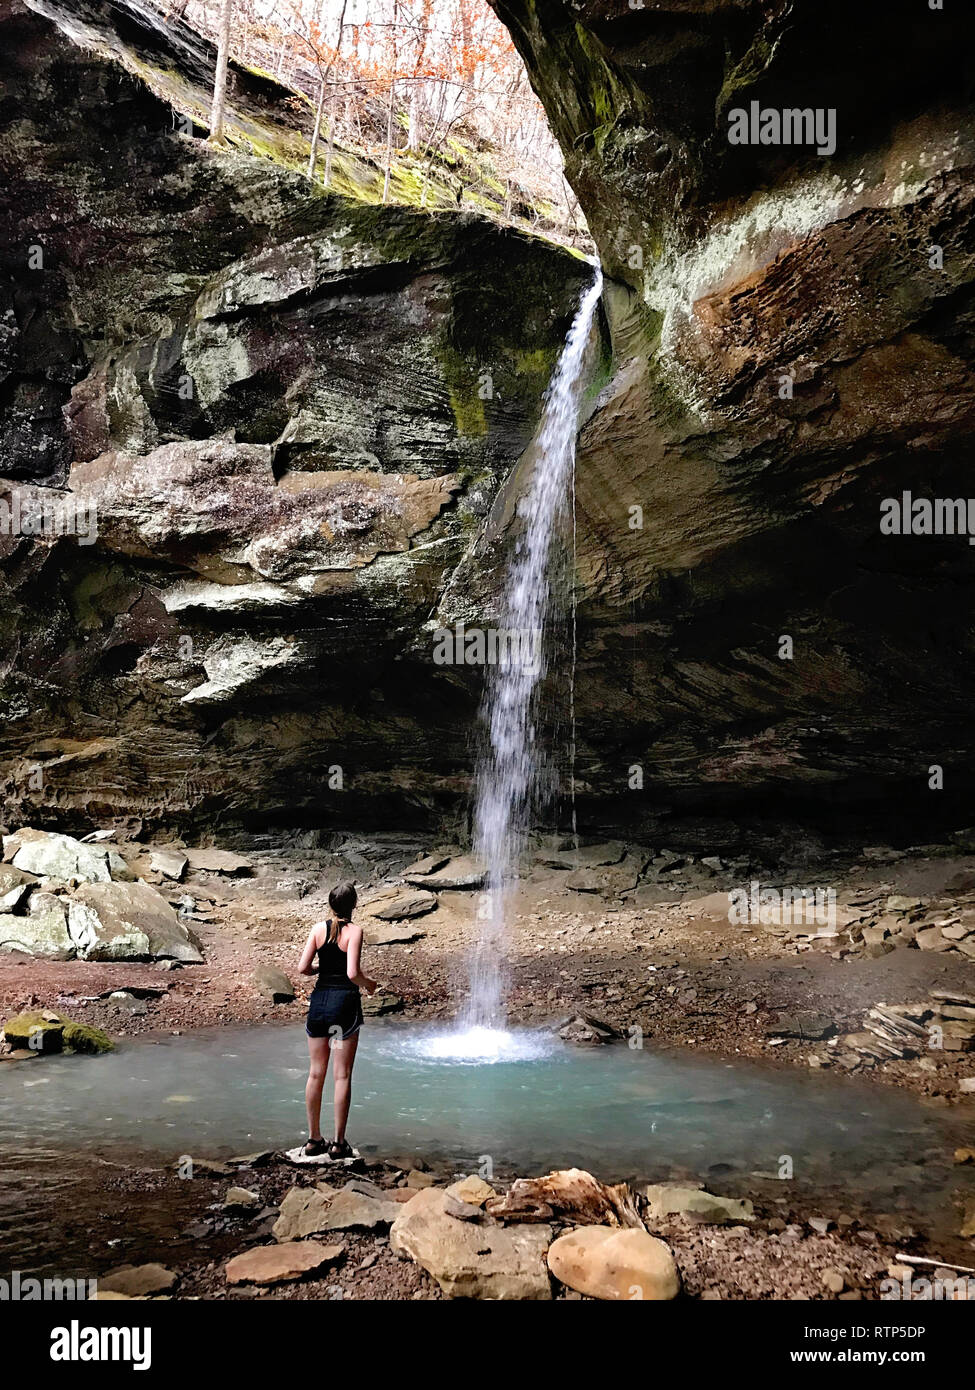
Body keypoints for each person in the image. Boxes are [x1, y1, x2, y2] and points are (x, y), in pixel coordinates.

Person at [296, 880, 377, 1158]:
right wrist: (369, 984)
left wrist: (322, 967)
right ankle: (339, 1144)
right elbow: (352, 972)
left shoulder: (318, 929)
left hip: (319, 1006)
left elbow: (303, 967)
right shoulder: (355, 931)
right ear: (354, 905)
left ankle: (313, 1140)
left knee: (315, 1072)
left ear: (330, 904)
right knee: (341, 1075)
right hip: (344, 1007)